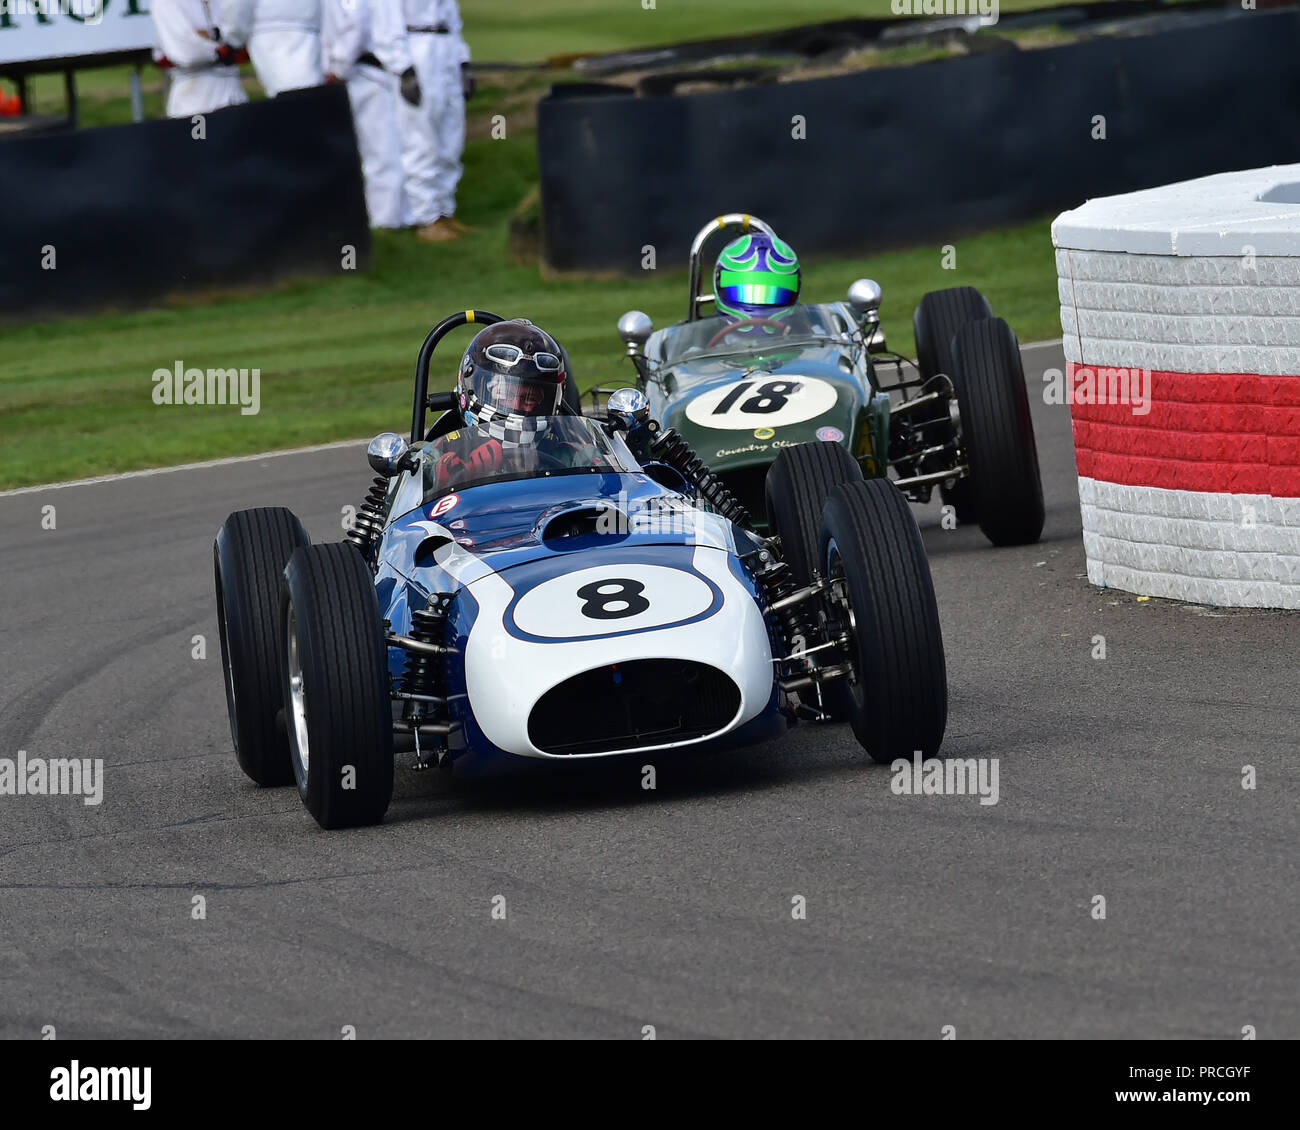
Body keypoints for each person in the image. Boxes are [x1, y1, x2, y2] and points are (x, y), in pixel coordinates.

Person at [429, 320, 593, 490]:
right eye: (505, 394)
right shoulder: (446, 448)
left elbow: (607, 479)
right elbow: (418, 470)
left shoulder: (565, 451)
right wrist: (450, 472)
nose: (517, 405)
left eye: (529, 398)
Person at [321, 0, 420, 230]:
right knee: (379, 150)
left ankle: (388, 218)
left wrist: (337, 66)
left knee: (380, 151)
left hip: (362, 72)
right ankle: (388, 216)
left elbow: (355, 21)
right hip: (356, 72)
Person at [398, 0, 472, 243]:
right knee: (422, 137)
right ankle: (426, 217)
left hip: (446, 48)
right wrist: (402, 67)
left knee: (451, 135)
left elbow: (453, 19)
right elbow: (386, 22)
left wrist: (463, 61)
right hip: (418, 49)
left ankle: (444, 211)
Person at [152, 0, 249, 118]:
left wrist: (213, 34)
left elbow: (243, 34)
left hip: (234, 96)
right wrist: (224, 49)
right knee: (199, 136)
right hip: (193, 102)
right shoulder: (165, 3)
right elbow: (188, 52)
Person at [225, 0, 323, 98]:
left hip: (269, 30)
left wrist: (233, 38)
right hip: (308, 26)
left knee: (289, 94)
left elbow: (236, 6)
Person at [712, 231, 802, 337]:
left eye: (773, 294)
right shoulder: (700, 345)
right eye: (745, 292)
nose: (757, 312)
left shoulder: (812, 335)